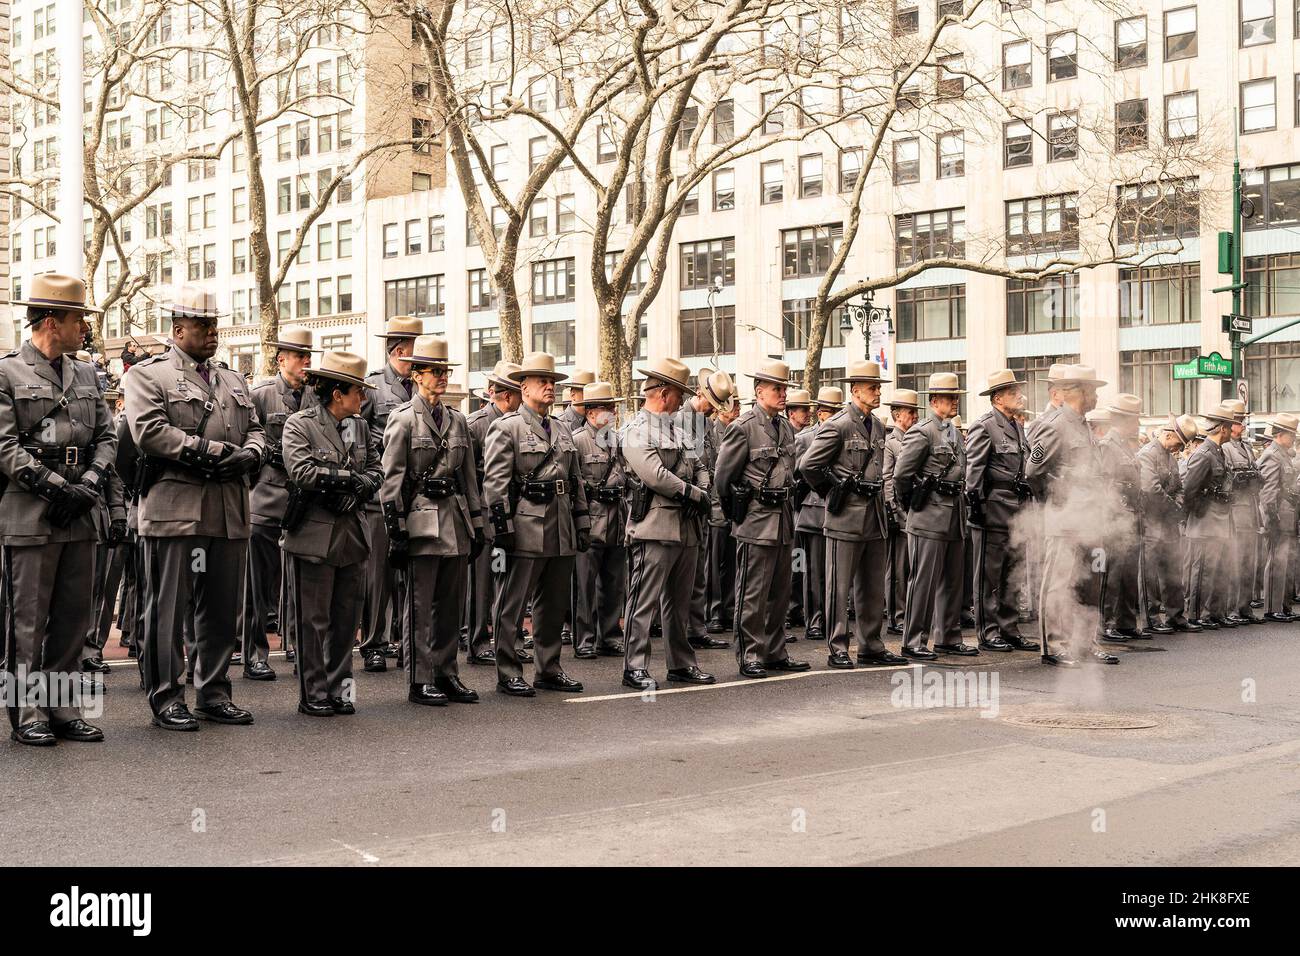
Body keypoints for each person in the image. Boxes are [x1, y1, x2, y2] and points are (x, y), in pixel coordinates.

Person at [124, 287, 266, 730]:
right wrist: (211, 450)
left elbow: (257, 429)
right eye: (202, 326)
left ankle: (214, 691)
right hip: (176, 506)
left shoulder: (233, 380)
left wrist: (253, 454)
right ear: (177, 329)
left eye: (214, 325)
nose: (212, 333)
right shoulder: (149, 376)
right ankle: (167, 696)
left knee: (222, 608)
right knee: (169, 607)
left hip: (227, 509)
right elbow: (150, 432)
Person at [1, 274, 115, 745]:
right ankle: (26, 710)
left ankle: (62, 706)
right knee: (27, 618)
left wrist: (89, 482)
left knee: (73, 616)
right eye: (78, 320)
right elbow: (5, 447)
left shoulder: (86, 373)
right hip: (31, 509)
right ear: (52, 320)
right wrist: (54, 487)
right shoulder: (7, 372)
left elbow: (107, 438)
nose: (84, 328)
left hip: (80, 508)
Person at [381, 336, 482, 706]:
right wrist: (397, 531)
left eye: (445, 371)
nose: (442, 377)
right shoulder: (403, 419)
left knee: (450, 605)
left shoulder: (458, 420)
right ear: (417, 375)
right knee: (420, 606)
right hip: (421, 521)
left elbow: (469, 478)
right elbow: (391, 481)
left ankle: (446, 671)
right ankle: (419, 677)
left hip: (454, 522)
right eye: (435, 372)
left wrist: (479, 524)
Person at [281, 351, 381, 715]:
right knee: (313, 620)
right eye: (358, 391)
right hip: (315, 532)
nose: (364, 398)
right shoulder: (300, 424)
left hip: (352, 531)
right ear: (338, 394)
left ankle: (341, 688)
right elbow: (302, 473)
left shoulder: (361, 427)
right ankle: (314, 692)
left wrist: (356, 487)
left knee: (345, 620)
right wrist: (349, 483)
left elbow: (376, 471)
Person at [483, 352, 589, 696]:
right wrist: (502, 530)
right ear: (523, 386)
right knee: (513, 603)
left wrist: (582, 521)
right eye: (542, 381)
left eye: (553, 382)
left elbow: (575, 481)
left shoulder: (561, 428)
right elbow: (495, 484)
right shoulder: (507, 427)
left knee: (554, 604)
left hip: (560, 525)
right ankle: (508, 670)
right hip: (526, 525)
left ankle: (548, 667)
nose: (549, 387)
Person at [799, 362, 907, 668]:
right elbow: (809, 466)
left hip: (873, 514)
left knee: (872, 586)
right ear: (855, 390)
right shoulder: (838, 424)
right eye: (872, 387)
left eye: (878, 387)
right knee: (839, 585)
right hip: (845, 516)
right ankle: (838, 646)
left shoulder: (877, 425)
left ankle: (871, 644)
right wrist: (832, 491)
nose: (878, 392)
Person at [620, 358, 716, 689]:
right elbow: (655, 476)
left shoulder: (678, 429)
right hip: (655, 525)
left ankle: (681, 664)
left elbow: (700, 464)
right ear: (663, 393)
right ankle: (634, 666)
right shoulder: (635, 430)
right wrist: (693, 493)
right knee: (643, 600)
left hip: (686, 526)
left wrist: (702, 488)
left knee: (680, 602)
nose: (681, 401)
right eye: (678, 394)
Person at [715, 360, 811, 678]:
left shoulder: (784, 427)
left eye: (784, 389)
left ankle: (774, 651)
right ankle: (750, 653)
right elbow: (723, 479)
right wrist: (737, 514)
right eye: (777, 389)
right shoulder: (742, 427)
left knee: (780, 592)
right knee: (752, 593)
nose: (783, 394)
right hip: (755, 520)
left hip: (783, 519)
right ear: (759, 392)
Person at [1024, 365, 1118, 666]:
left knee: (1090, 583)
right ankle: (1054, 645)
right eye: (1093, 390)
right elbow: (1033, 471)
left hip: (1088, 516)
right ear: (1077, 391)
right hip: (1064, 517)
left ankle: (1085, 643)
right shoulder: (1055, 425)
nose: (1096, 395)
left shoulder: (1083, 424)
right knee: (1059, 583)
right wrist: (1057, 494)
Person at [241, 326, 318, 681]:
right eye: (299, 355)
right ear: (280, 358)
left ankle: (298, 646)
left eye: (307, 355)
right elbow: (246, 443)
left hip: (304, 499)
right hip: (267, 496)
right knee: (260, 584)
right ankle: (255, 652)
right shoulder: (260, 395)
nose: (305, 361)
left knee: (300, 582)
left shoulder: (316, 396)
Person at [890, 372, 973, 660]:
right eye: (951, 397)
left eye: (956, 397)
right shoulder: (922, 431)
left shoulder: (953, 432)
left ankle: (948, 637)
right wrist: (912, 502)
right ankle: (913, 640)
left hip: (953, 515)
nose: (955, 402)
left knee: (952, 580)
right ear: (935, 400)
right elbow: (901, 475)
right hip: (929, 515)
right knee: (923, 581)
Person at [359, 316, 422, 672]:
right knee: (379, 575)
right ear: (400, 351)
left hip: (417, 494)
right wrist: (380, 459)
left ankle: (405, 638)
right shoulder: (372, 387)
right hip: (383, 492)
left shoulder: (421, 386)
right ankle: (374, 643)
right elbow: (358, 429)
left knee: (412, 571)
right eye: (416, 352)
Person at [964, 370, 1040, 652]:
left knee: (1012, 574)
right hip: (992, 510)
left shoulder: (1016, 426)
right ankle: (988, 631)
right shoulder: (984, 427)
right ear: (998, 398)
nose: (1020, 397)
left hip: (1016, 511)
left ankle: (1009, 628)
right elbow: (974, 473)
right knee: (988, 576)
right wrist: (977, 508)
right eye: (1013, 393)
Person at [464, 362, 522, 665]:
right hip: (486, 513)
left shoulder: (519, 423)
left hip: (513, 511)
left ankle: (508, 639)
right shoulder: (476, 424)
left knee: (508, 578)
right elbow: (468, 474)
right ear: (508, 396)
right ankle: (478, 641)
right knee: (483, 581)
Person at [570, 382, 628, 659]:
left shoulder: (618, 440)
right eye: (607, 408)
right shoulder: (578, 439)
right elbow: (574, 482)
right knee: (585, 585)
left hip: (616, 518)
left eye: (613, 407)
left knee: (614, 582)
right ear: (592, 413)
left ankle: (610, 636)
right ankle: (584, 638)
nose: (612, 412)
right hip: (592, 518)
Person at [1137, 415, 1200, 633]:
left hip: (1168, 522)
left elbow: (1179, 487)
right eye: (1179, 443)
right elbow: (1151, 490)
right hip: (1152, 521)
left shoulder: (1170, 457)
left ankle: (1176, 616)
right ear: (1168, 434)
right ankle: (1151, 619)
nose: (1179, 448)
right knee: (1150, 574)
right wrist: (1175, 508)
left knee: (1173, 570)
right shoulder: (1147, 455)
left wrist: (1178, 506)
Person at [82, 387, 128, 676]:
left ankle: (88, 651)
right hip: (49, 515)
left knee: (95, 592)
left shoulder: (102, 427)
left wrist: (118, 514)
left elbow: (111, 474)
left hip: (95, 516)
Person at [1095, 394, 1147, 644]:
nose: (1137, 424)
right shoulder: (1108, 446)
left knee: (1128, 572)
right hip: (1115, 518)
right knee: (1111, 574)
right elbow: (1104, 485)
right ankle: (1105, 623)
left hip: (1131, 517)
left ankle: (1126, 621)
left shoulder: (1126, 446)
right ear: (1124, 420)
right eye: (1135, 419)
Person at [793, 386, 842, 646]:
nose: (833, 415)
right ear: (820, 413)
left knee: (834, 573)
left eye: (837, 410)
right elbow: (797, 475)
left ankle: (832, 620)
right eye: (830, 411)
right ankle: (814, 620)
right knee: (812, 572)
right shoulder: (804, 438)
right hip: (812, 511)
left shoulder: (843, 432)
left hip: (837, 510)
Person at [1183, 404, 1239, 629]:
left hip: (1221, 521)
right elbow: (1189, 490)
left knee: (1220, 569)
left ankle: (1215, 612)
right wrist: (1199, 513)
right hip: (1206, 522)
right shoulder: (1204, 454)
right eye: (1230, 426)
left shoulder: (1218, 452)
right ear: (1223, 429)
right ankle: (1196, 615)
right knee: (1202, 571)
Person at [1221, 399, 1263, 625]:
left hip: (1250, 511)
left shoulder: (1246, 447)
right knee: (1234, 561)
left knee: (1248, 562)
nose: (1243, 425)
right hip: (1236, 511)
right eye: (1239, 421)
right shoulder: (1224, 448)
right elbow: (1226, 480)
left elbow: (1258, 474)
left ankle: (1244, 606)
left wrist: (1254, 477)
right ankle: (1231, 608)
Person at [882, 389, 918, 635]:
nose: (915, 416)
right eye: (910, 412)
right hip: (899, 512)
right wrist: (891, 510)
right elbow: (887, 478)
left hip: (914, 509)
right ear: (897, 415)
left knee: (910, 567)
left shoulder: (915, 437)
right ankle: (897, 616)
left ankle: (908, 613)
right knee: (897, 568)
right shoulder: (891, 442)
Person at [1259, 415, 1299, 622]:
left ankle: (1284, 606)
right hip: (1277, 516)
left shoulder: (1283, 455)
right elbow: (1268, 492)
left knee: (1287, 562)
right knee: (1276, 561)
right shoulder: (1272, 455)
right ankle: (1272, 608)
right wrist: (1271, 519)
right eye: (1291, 434)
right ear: (1280, 435)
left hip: (1287, 514)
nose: (1294, 438)